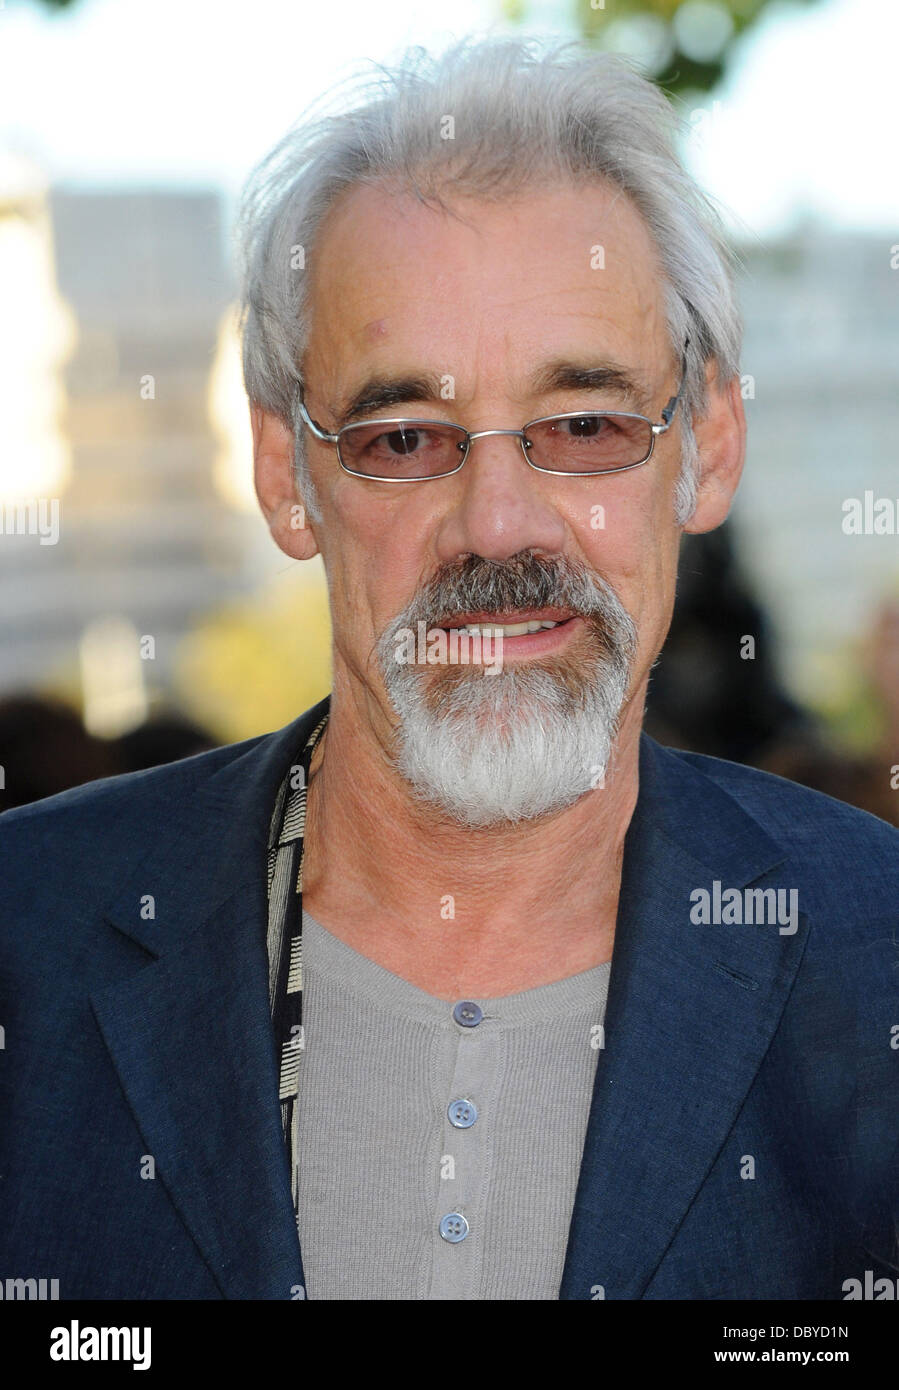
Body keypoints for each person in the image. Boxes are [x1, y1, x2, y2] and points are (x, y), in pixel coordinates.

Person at [1, 36, 896, 1302]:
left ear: (706, 445)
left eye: (582, 425)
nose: (496, 523)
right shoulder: (27, 934)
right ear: (284, 474)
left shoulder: (878, 952)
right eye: (405, 435)